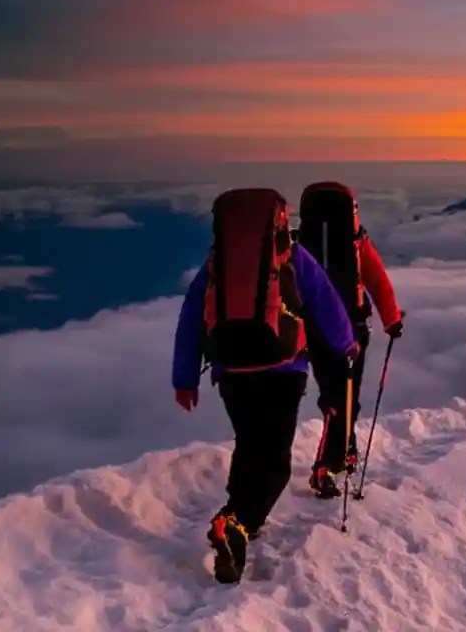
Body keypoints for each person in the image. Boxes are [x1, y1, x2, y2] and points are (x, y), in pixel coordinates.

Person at [172, 188, 357, 584]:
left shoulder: (216, 264)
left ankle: (240, 516)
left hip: (232, 372)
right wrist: (346, 346)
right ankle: (237, 522)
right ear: (280, 221)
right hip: (283, 370)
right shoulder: (291, 256)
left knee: (250, 442)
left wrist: (185, 378)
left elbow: (191, 318)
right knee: (275, 462)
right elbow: (326, 302)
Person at [296, 182, 404, 500]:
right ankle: (327, 464)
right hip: (354, 327)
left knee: (336, 395)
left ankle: (342, 454)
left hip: (315, 329)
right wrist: (392, 320)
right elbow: (377, 279)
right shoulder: (356, 240)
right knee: (345, 395)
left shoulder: (300, 243)